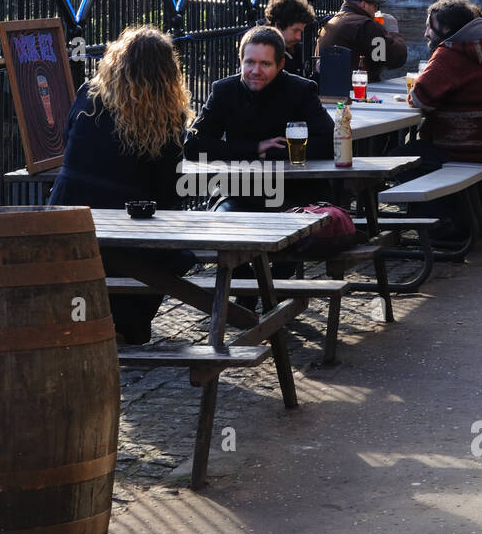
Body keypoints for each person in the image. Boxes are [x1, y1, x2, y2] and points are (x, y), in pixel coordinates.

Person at [47, 26, 194, 345]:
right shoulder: (168, 115)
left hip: (65, 215)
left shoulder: (88, 94)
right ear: (168, 71)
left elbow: (69, 145)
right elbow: (167, 188)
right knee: (178, 255)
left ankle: (90, 318)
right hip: (123, 225)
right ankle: (129, 323)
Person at [184, 26, 335, 208]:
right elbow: (194, 145)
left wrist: (272, 153)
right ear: (240, 61)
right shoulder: (224, 90)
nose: (256, 70)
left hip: (296, 190)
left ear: (280, 64)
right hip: (239, 191)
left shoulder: (301, 90)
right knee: (224, 218)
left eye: (265, 63)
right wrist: (255, 148)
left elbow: (330, 142)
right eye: (249, 62)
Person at [409, 0, 482, 165]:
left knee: (395, 156)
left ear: (446, 28)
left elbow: (418, 99)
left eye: (430, 26)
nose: (426, 33)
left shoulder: (451, 53)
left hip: (460, 149)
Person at [316, 0, 407, 81]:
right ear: (363, 4)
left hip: (330, 87)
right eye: (375, 6)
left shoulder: (333, 21)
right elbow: (394, 59)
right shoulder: (366, 25)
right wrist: (393, 31)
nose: (376, 11)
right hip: (356, 90)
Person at [262, 0, 317, 77]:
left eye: (300, 32)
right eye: (295, 31)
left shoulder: (294, 48)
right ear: (278, 25)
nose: (299, 37)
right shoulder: (264, 51)